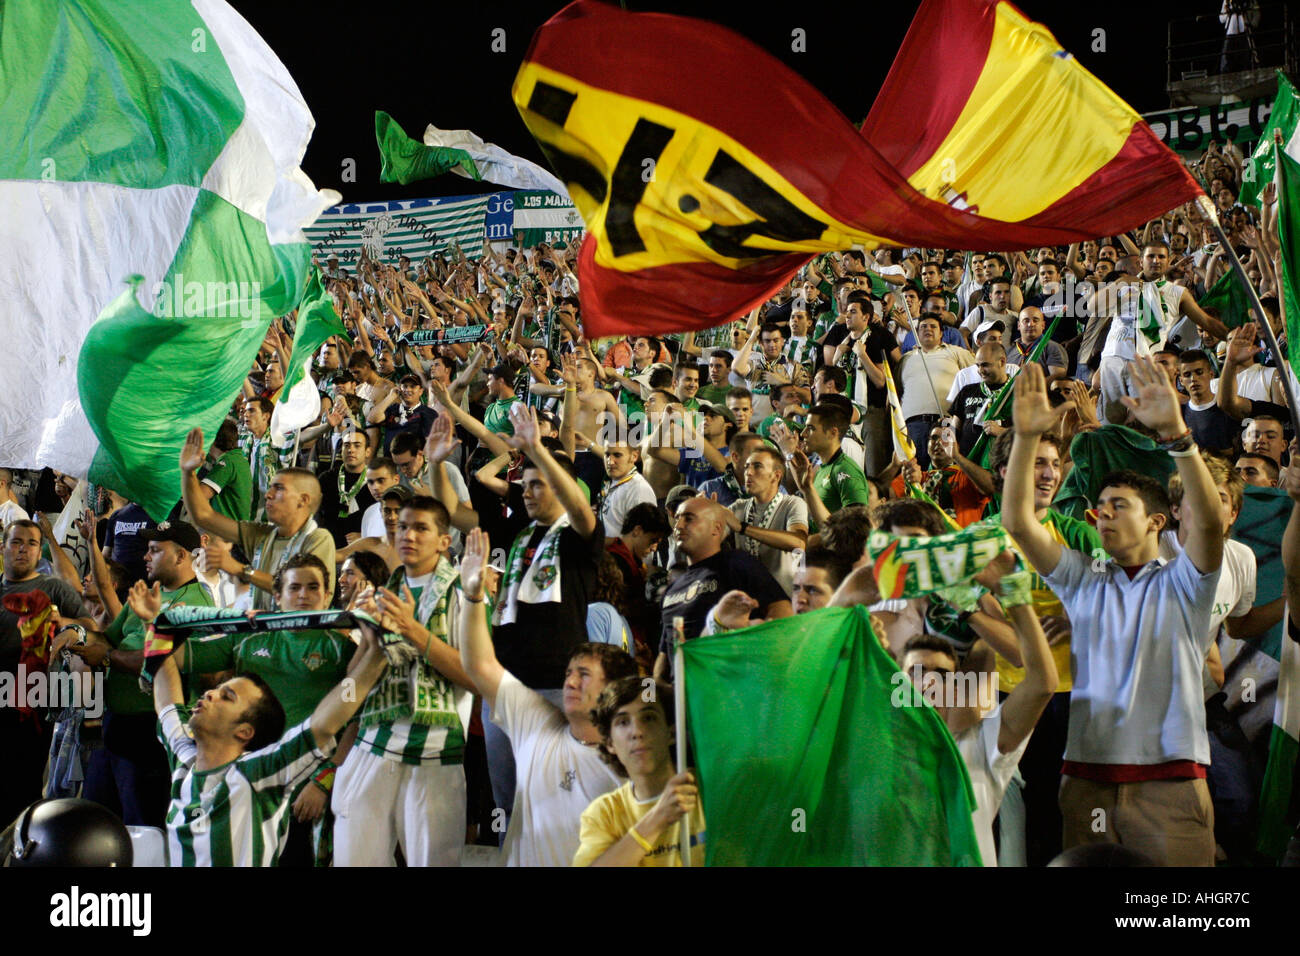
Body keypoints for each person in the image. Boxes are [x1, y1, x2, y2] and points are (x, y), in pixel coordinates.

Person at [1001, 360, 1224, 866]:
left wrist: (1177, 435)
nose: (1103, 513)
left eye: (1119, 505)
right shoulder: (1080, 578)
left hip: (1171, 784)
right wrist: (1025, 438)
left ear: (1157, 522)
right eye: (1100, 504)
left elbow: (1209, 525)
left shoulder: (1185, 583)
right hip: (1085, 782)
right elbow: (1017, 519)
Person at [144, 580, 389, 867]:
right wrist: (155, 627)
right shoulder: (184, 761)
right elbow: (166, 702)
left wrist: (376, 655)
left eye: (227, 697)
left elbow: (324, 725)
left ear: (244, 731)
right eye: (218, 690)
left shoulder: (257, 773)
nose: (210, 693)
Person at [457, 528, 640, 866]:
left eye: (583, 675)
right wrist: (472, 597)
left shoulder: (627, 766)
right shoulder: (537, 728)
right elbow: (480, 666)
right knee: (507, 811)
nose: (569, 681)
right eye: (569, 672)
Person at [333, 496, 475, 867]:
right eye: (402, 526)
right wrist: (369, 638)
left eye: (420, 527)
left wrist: (412, 631)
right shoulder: (379, 595)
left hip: (433, 750)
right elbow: (352, 685)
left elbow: (478, 677)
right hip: (372, 741)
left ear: (445, 541)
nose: (407, 534)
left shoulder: (465, 591)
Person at [897, 551, 1058, 866]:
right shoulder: (875, 748)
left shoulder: (982, 746)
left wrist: (1011, 590)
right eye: (916, 672)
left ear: (956, 687)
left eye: (941, 674)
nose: (928, 681)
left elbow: (1042, 683)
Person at [487, 403, 604, 820]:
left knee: (556, 807)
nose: (526, 491)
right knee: (508, 806)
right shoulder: (519, 538)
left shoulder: (576, 537)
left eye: (538, 484)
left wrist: (538, 451)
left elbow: (581, 511)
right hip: (504, 689)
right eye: (524, 485)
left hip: (556, 687)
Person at [63, 522, 212, 829]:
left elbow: (158, 660)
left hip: (151, 735)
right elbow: (110, 638)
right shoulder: (145, 593)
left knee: (140, 828)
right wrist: (77, 636)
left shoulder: (198, 605)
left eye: (155, 550)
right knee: (97, 823)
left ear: (182, 556)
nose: (145, 556)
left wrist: (105, 657)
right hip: (114, 728)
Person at [181, 427, 336, 611]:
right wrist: (188, 473)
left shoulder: (319, 539)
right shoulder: (262, 534)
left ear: (303, 500)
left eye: (279, 489)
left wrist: (240, 569)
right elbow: (203, 516)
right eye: (270, 487)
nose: (268, 495)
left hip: (297, 636)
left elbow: (298, 592)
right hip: (263, 636)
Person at [0, 520, 91, 827]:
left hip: (32, 698)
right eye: (16, 542)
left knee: (23, 780)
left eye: (32, 543)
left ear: (40, 551)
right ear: (3, 547)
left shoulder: (53, 588)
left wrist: (58, 618)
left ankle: (20, 845)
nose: (23, 548)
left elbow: (91, 627)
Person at [573, 677, 705, 866]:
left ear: (671, 732)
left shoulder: (709, 789)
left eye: (649, 717)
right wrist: (658, 818)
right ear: (610, 744)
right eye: (623, 722)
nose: (637, 731)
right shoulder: (604, 814)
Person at [657, 497, 791, 676]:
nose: (678, 525)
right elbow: (664, 655)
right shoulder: (672, 589)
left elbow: (783, 612)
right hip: (684, 697)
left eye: (689, 518)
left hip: (731, 692)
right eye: (678, 518)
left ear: (716, 528)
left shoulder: (738, 564)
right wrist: (651, 695)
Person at [721, 445, 809, 594]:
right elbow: (713, 537)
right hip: (748, 599)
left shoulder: (792, 503)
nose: (748, 472)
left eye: (757, 467)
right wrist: (702, 514)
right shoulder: (738, 507)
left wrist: (744, 528)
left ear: (776, 475)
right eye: (747, 467)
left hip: (785, 600)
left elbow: (799, 543)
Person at [789, 402, 872, 534]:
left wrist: (808, 542)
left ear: (832, 433)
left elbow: (855, 533)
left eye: (810, 428)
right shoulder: (822, 469)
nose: (804, 434)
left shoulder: (846, 470)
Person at [315, 430, 377, 547]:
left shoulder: (375, 480)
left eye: (357, 446)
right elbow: (315, 514)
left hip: (362, 548)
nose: (351, 450)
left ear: (367, 451)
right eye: (346, 445)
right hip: (328, 546)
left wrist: (365, 535)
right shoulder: (326, 478)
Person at [597, 443, 656, 539]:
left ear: (634, 456)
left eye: (617, 455)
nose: (610, 462)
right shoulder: (612, 482)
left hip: (621, 554)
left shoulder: (639, 490)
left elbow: (642, 540)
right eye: (607, 455)